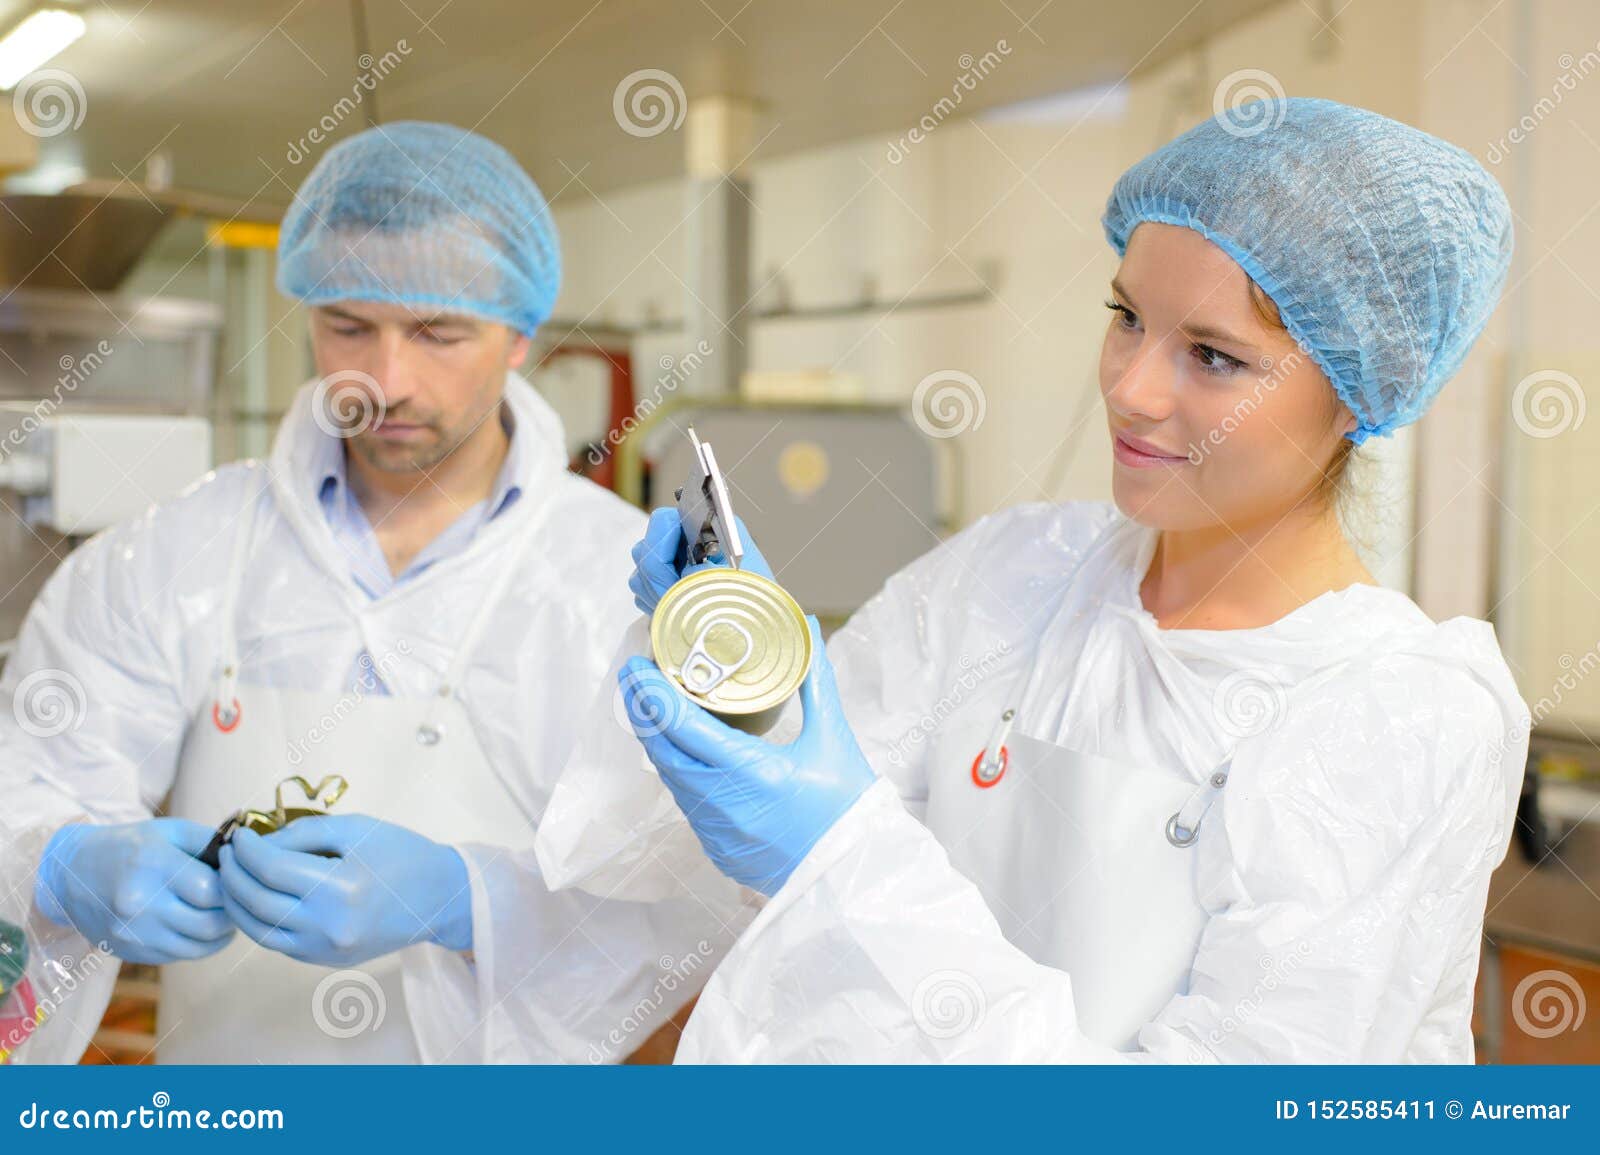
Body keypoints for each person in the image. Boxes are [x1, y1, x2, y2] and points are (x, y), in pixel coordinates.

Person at [602, 98, 1529, 1061]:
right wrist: (747, 676)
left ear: (1358, 394)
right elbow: (801, 832)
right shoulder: (1014, 571)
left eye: (1213, 356)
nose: (1130, 388)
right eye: (1126, 317)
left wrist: (833, 858)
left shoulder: (1397, 717)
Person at [1, 121, 745, 1064]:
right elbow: (28, 773)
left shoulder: (613, 584)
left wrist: (463, 900)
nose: (385, 380)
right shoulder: (181, 552)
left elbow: (700, 909)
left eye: (438, 331)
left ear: (521, 335)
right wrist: (63, 864)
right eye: (349, 325)